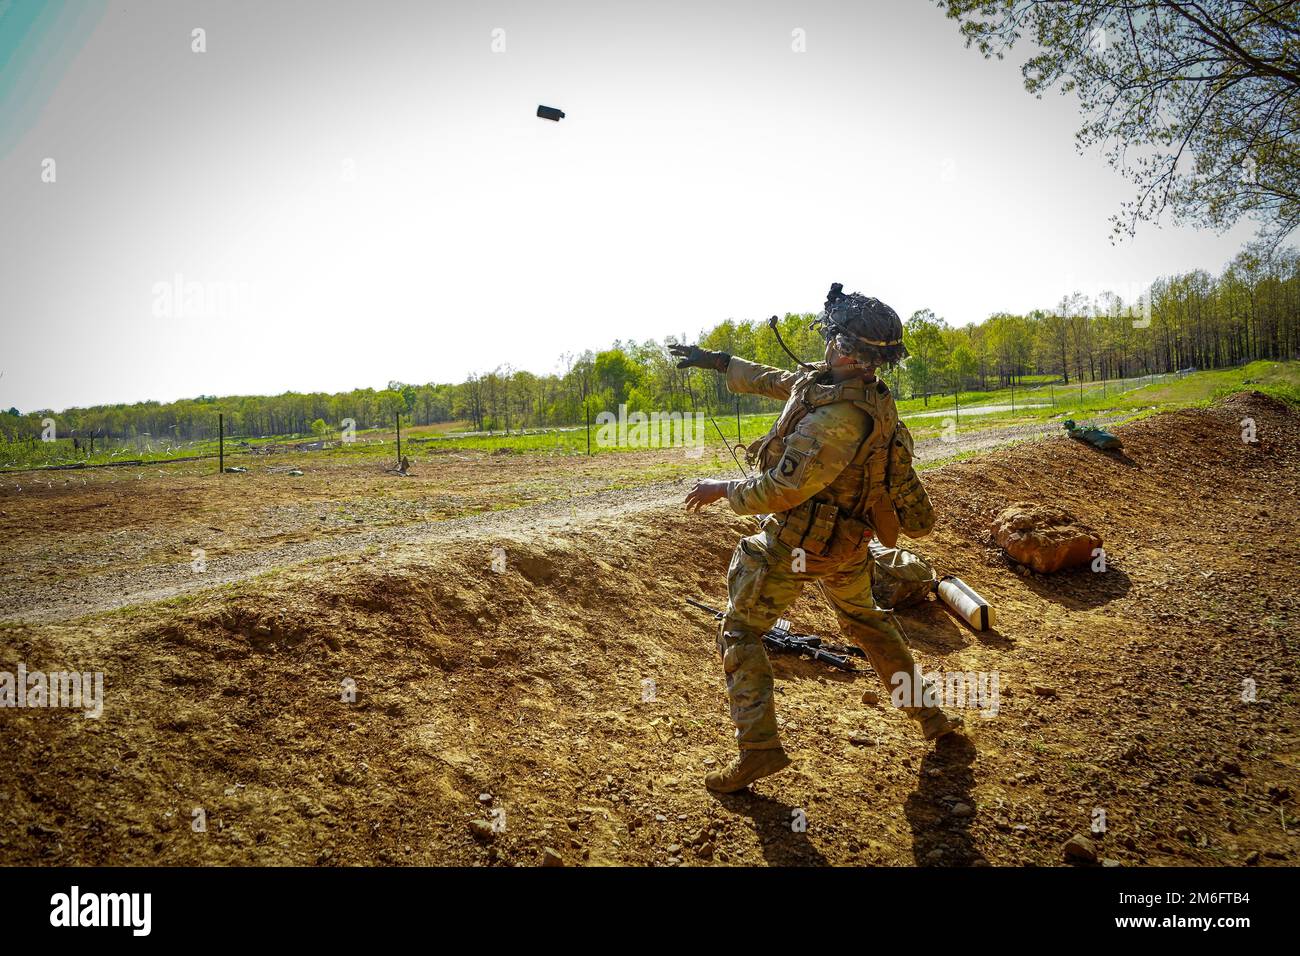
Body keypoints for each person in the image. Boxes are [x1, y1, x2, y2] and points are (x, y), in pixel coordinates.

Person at [669, 284, 964, 794]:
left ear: (847, 350)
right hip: (848, 549)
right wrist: (718, 362)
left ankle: (758, 750)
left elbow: (784, 488)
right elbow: (782, 381)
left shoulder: (837, 420)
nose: (825, 345)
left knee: (740, 632)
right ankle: (932, 721)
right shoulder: (848, 388)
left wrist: (723, 489)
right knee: (869, 624)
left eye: (832, 338)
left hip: (800, 547)